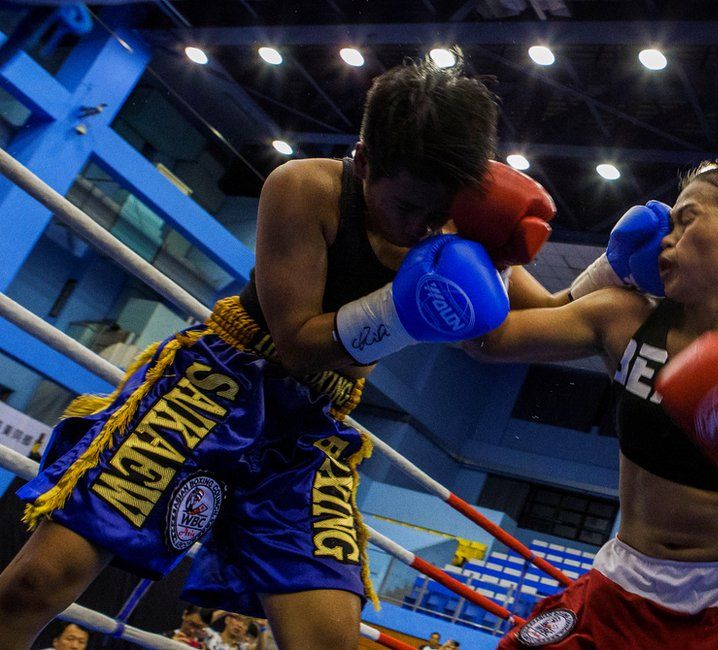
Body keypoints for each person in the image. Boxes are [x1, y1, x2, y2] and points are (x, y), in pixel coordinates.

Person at [0, 60, 543, 649]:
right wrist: (408, 310)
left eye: (437, 213)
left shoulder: (455, 221)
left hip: (311, 430)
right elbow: (299, 342)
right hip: (218, 388)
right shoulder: (306, 188)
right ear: (364, 162)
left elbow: (544, 314)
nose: (421, 227)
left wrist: (618, 272)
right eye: (405, 207)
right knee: (38, 581)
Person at [468, 162, 718, 649]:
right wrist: (485, 235)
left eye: (686, 220)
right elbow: (491, 340)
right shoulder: (624, 317)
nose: (667, 237)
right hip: (621, 580)